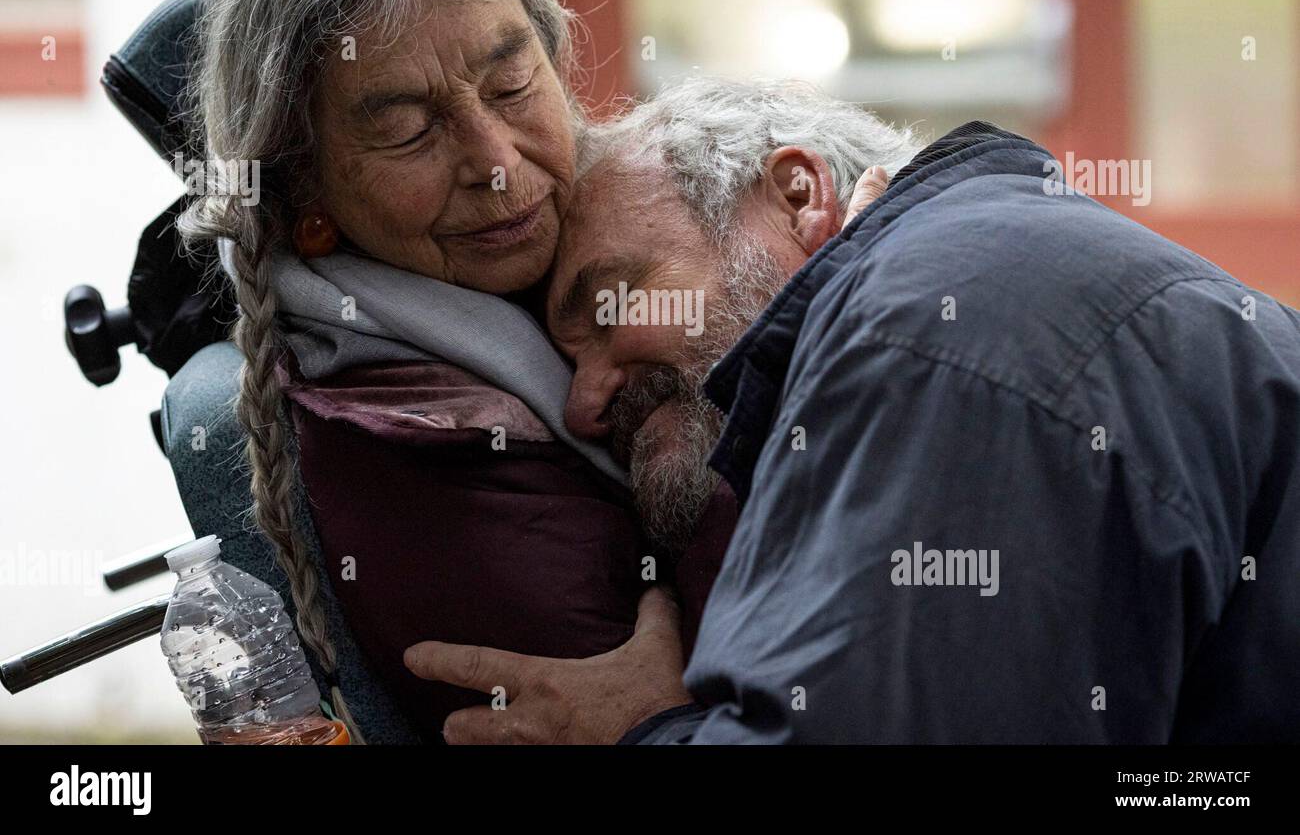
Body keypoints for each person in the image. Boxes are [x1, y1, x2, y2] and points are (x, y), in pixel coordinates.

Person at [405, 76, 1300, 744]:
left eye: (608, 306)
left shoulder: (929, 317)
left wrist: (648, 727)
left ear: (797, 195)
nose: (585, 399)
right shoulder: (969, 283)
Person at [176, 0, 651, 743]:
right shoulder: (425, 444)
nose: (497, 162)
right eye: (406, 131)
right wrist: (683, 684)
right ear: (302, 188)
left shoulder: (656, 237)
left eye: (512, 84)